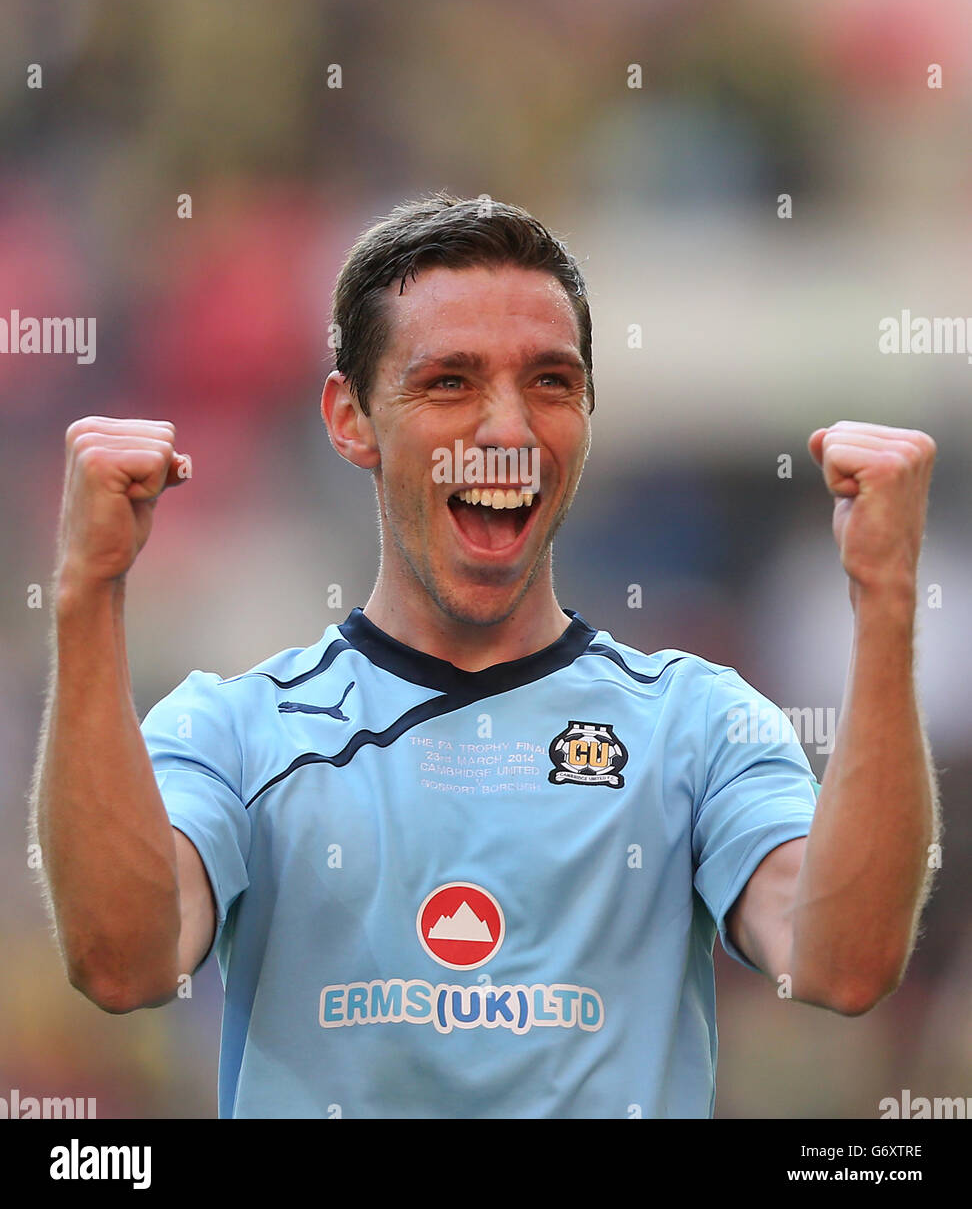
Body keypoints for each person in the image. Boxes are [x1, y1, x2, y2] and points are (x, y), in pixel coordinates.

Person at [31, 193, 940, 1119]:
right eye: (450, 383)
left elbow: (846, 964)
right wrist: (86, 595)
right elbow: (121, 961)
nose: (507, 431)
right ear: (351, 419)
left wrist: (887, 601)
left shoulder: (699, 726)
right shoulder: (232, 732)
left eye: (550, 381)